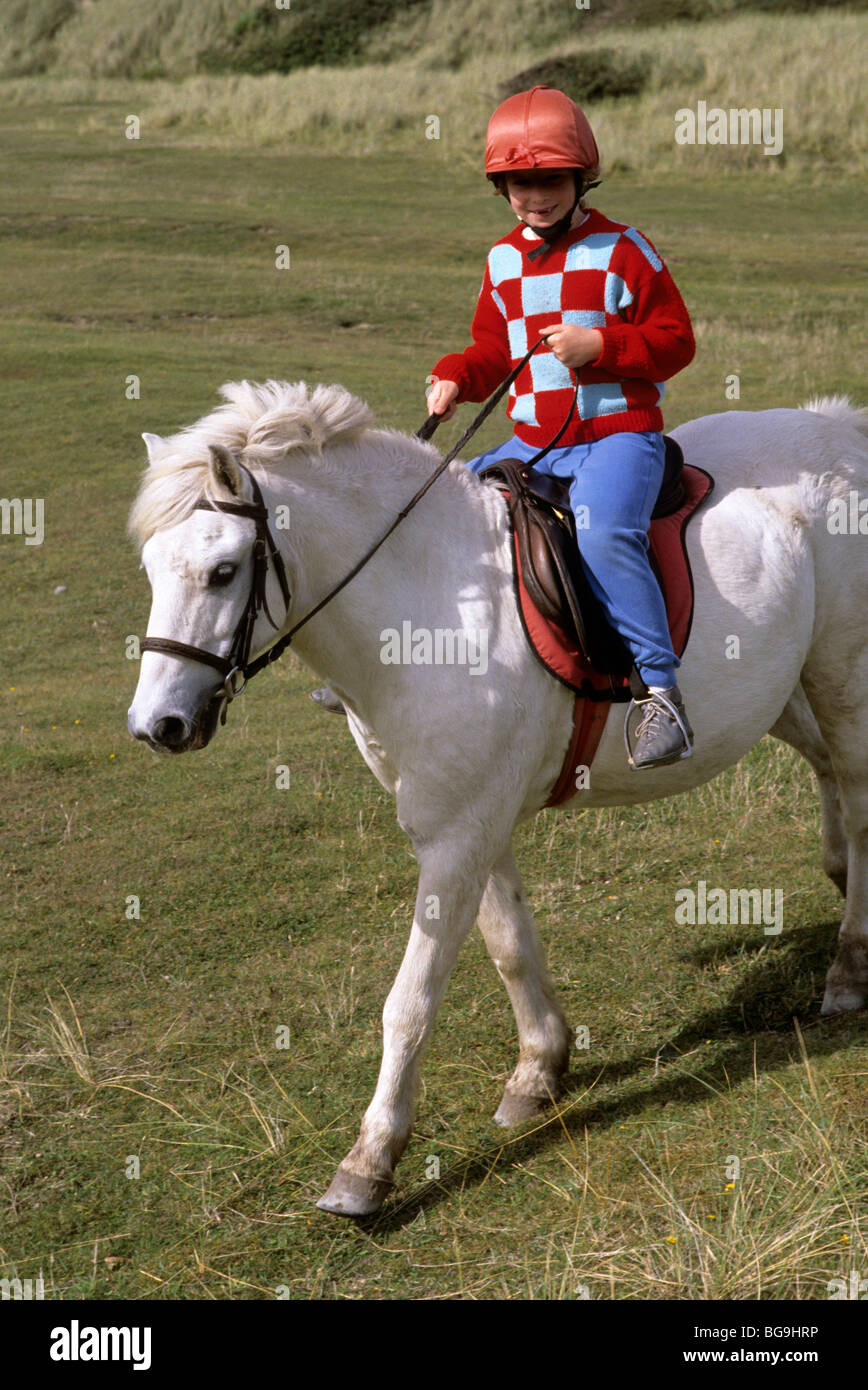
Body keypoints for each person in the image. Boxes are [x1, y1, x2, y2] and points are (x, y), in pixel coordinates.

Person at [426, 84, 696, 769]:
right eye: (518, 183)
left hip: (617, 438)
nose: (535, 196)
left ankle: (660, 695)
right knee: (440, 507)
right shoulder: (502, 261)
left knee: (604, 530)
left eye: (549, 180)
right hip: (532, 441)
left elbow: (675, 340)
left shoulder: (624, 249)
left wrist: (602, 350)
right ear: (501, 186)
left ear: (581, 176)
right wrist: (458, 373)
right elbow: (494, 349)